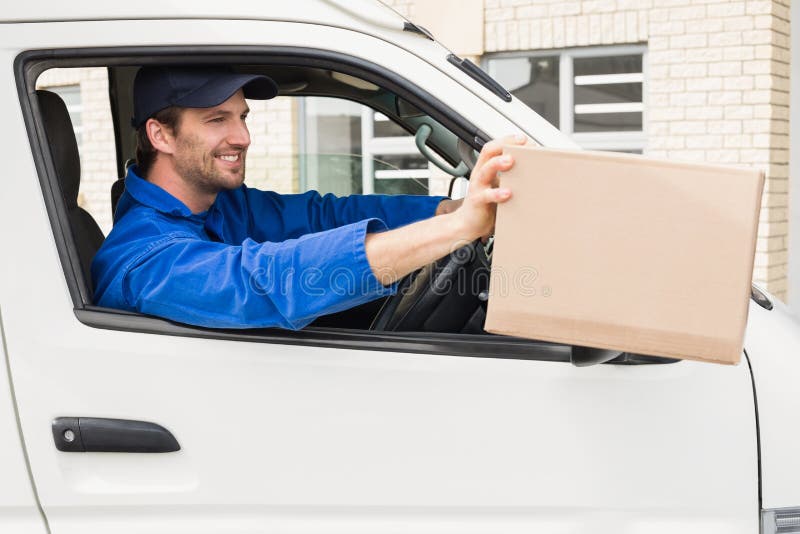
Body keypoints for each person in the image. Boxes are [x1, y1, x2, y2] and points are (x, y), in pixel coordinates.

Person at [92, 66, 525, 329]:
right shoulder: (141, 260)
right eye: (216, 119)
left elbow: (323, 215)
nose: (242, 137)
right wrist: (457, 227)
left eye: (242, 117)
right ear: (160, 134)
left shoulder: (220, 204)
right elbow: (265, 280)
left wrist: (445, 210)